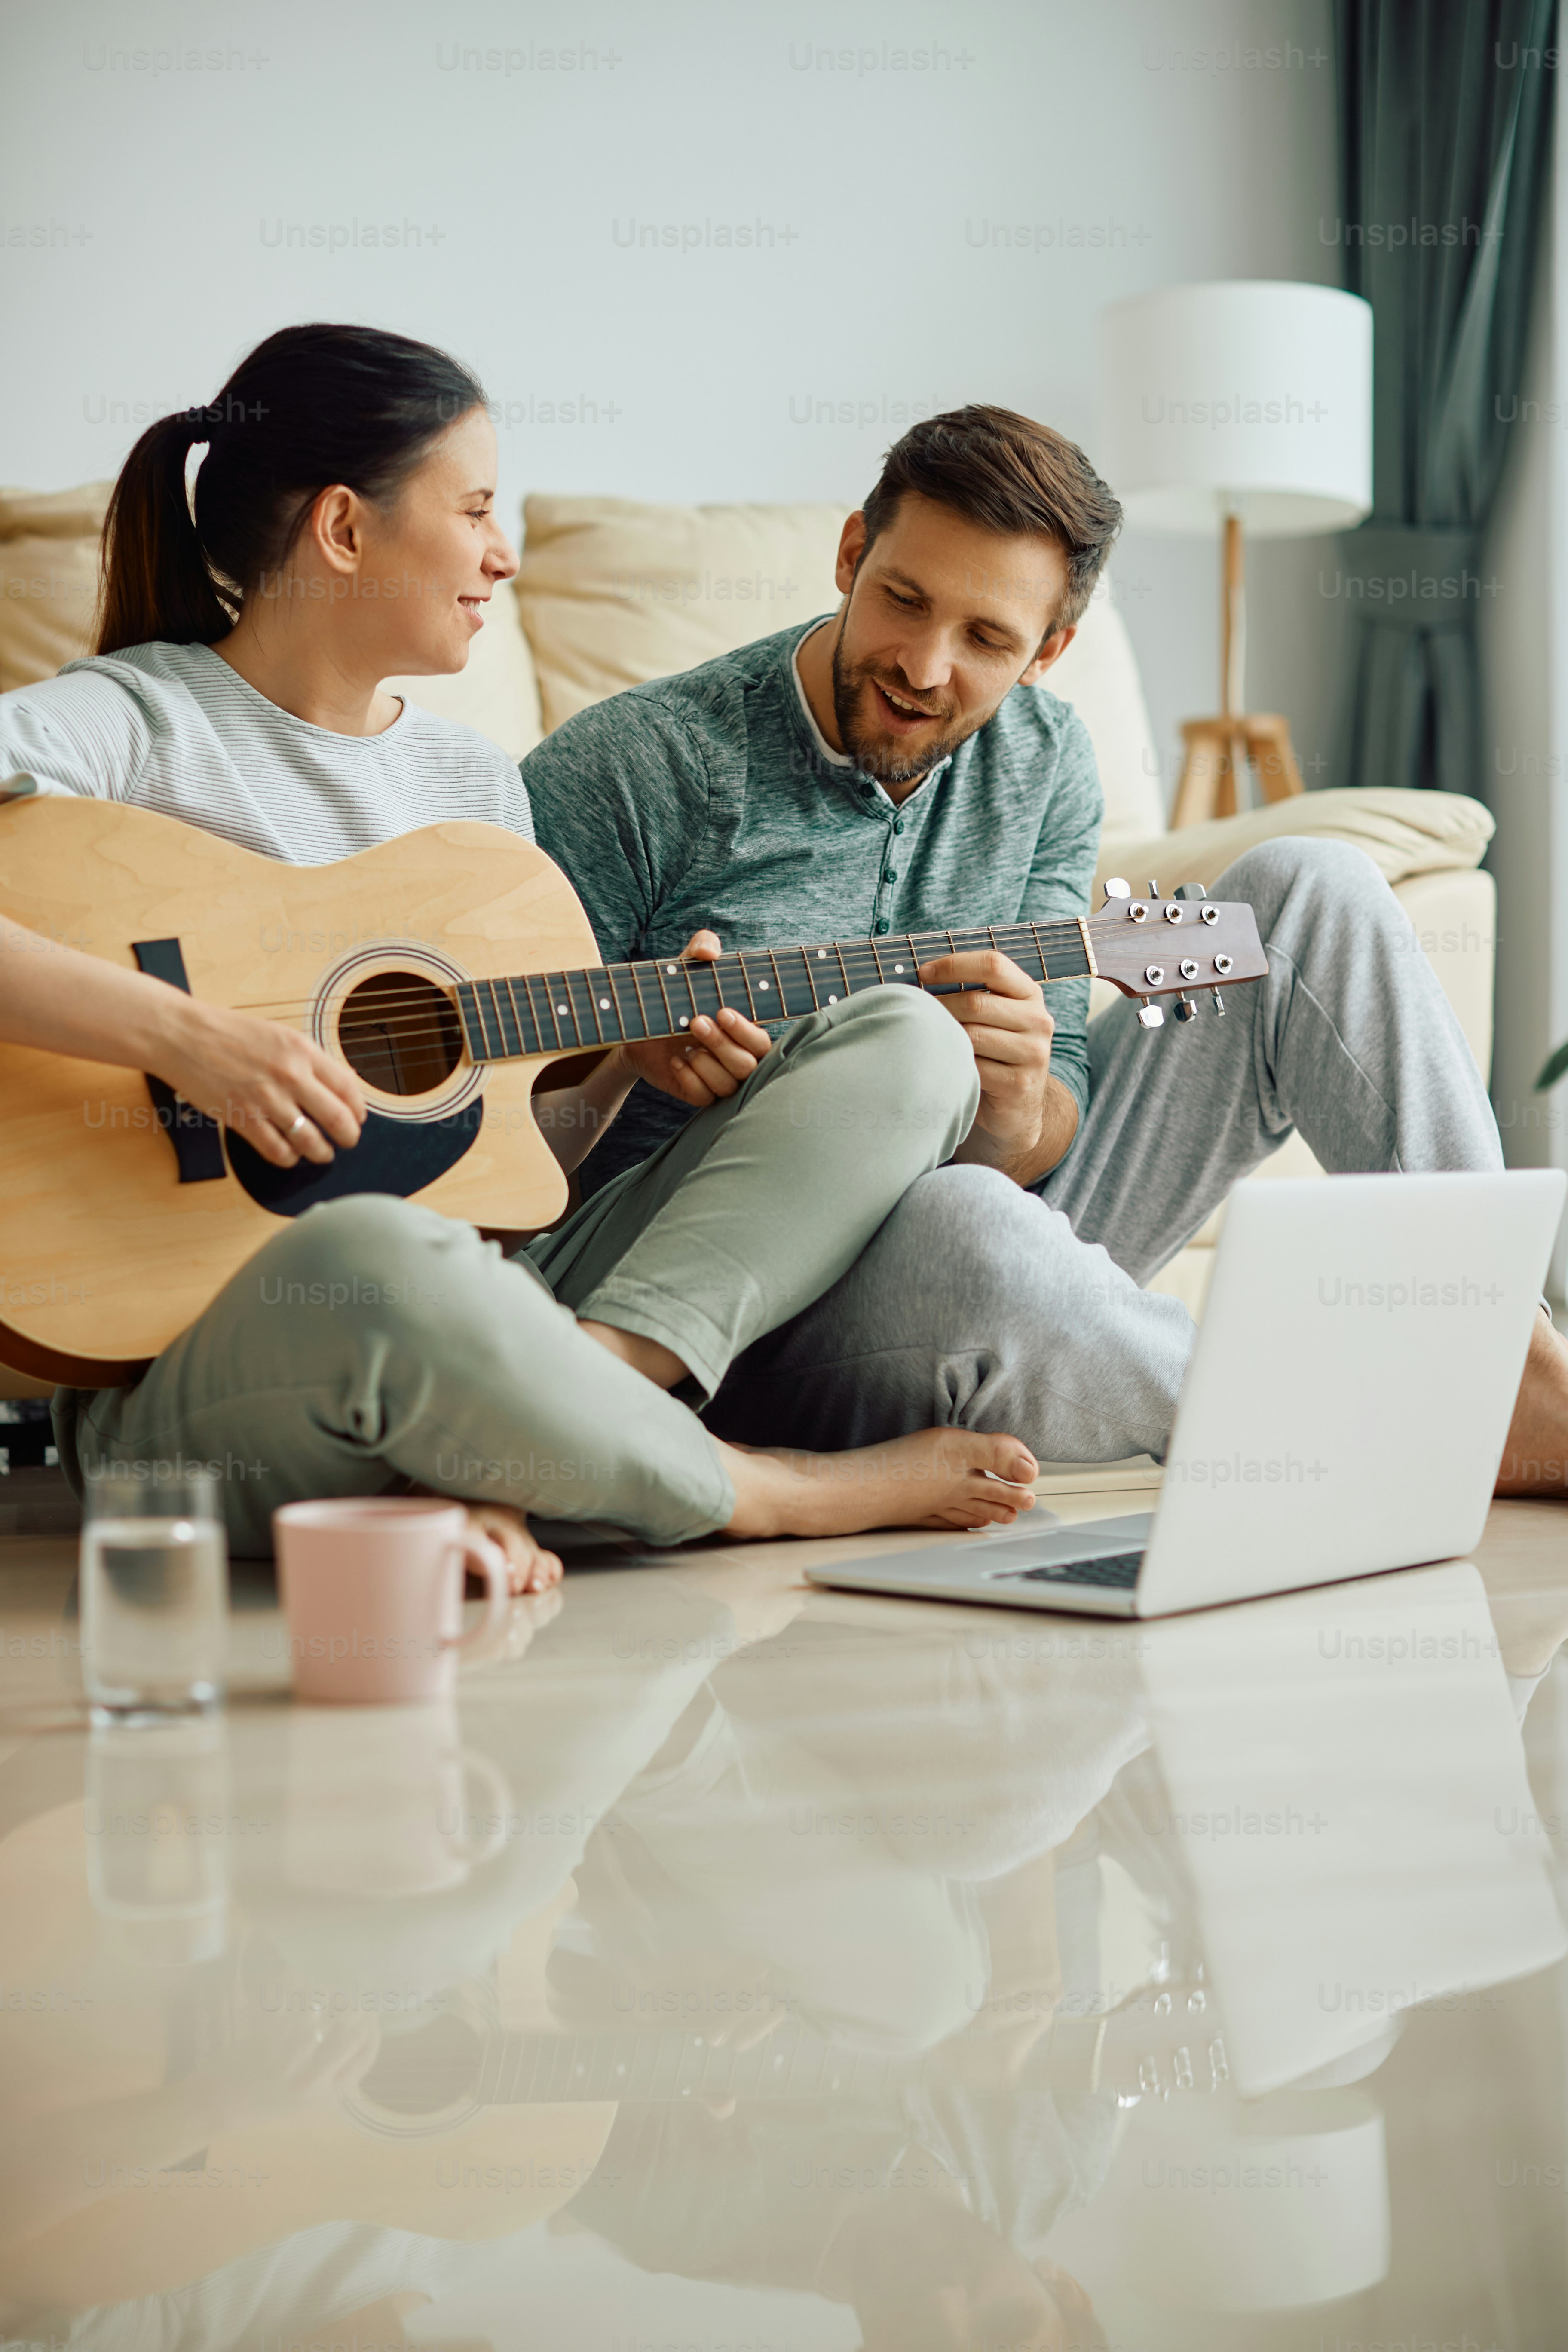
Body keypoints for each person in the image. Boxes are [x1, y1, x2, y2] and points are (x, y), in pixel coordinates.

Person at [0, 328, 1044, 1578]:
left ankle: (560, 1416)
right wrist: (187, 1038)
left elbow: (494, 1177)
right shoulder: (132, 722)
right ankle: (755, 1487)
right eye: (478, 508)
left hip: (494, 1308)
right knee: (373, 1258)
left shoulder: (474, 787)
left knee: (909, 1038)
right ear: (345, 529)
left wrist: (618, 1070)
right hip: (216, 1385)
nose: (505, 553)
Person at [521, 403, 1568, 1497]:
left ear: (1050, 652)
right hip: (744, 1327)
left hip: (993, 1239)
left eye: (985, 640)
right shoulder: (632, 770)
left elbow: (1044, 1135)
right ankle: (1389, 1437)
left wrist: (1018, 1105)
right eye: (904, 600)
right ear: (850, 555)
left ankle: (1501, 1354)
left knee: (1314, 887)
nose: (923, 667)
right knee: (969, 1223)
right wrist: (615, 1061)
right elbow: (489, 1177)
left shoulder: (1046, 761)